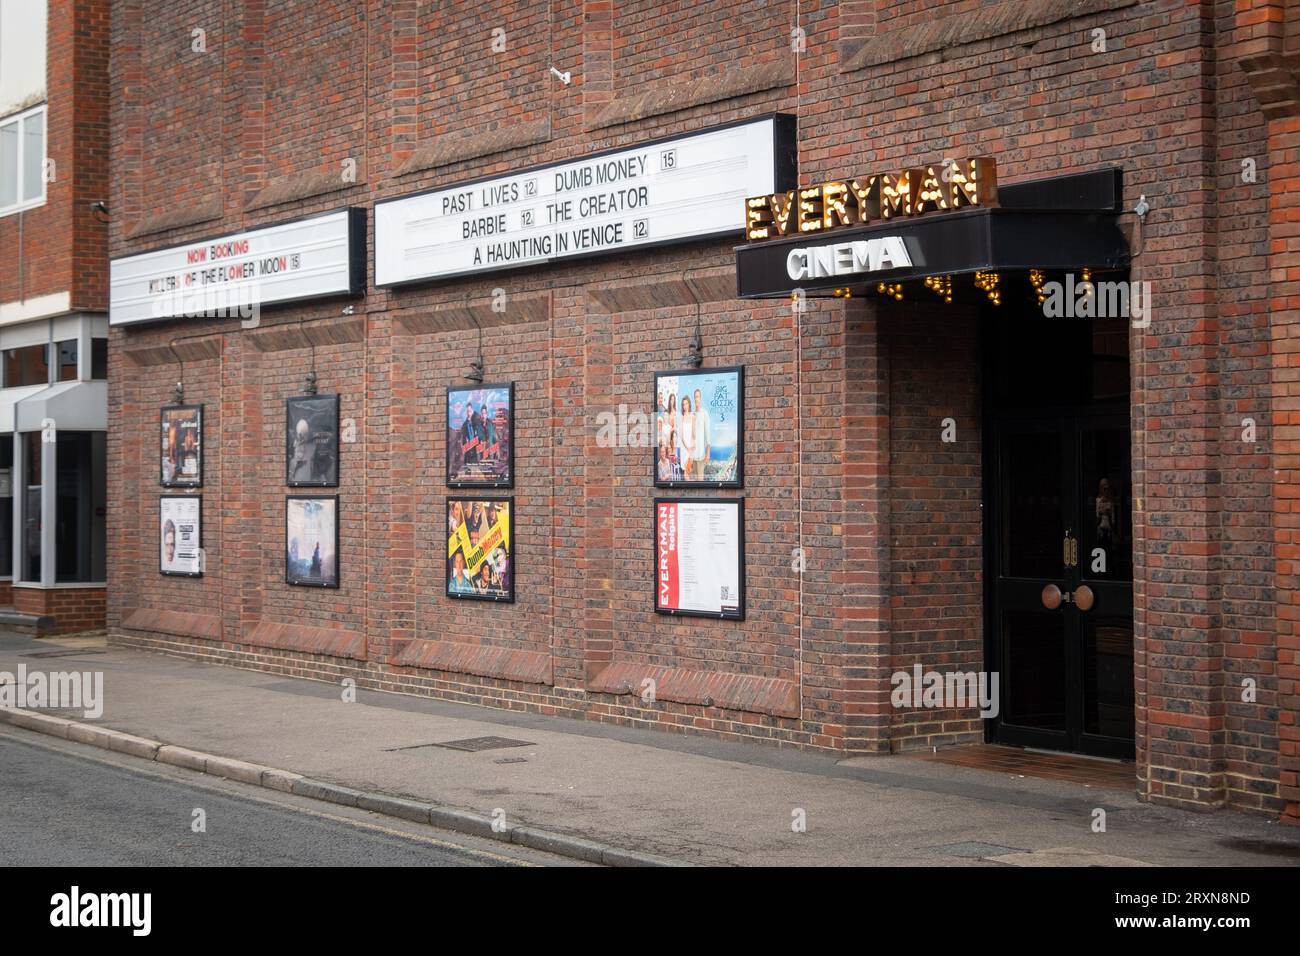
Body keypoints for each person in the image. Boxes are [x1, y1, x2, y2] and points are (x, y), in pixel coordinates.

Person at [692, 388, 711, 481]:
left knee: (700, 482)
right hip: (692, 456)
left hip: (701, 455)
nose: (696, 399)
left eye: (698, 396)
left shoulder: (704, 413)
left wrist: (708, 453)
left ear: (700, 398)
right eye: (695, 397)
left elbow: (708, 434)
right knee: (693, 483)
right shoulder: (692, 414)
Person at [678, 396, 695, 481]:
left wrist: (692, 446)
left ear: (689, 404)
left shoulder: (693, 417)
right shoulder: (681, 418)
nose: (685, 406)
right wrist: (687, 447)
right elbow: (681, 436)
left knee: (689, 470)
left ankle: (690, 484)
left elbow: (694, 434)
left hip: (691, 446)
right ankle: (690, 485)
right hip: (684, 448)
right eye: (683, 404)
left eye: (686, 403)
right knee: (685, 472)